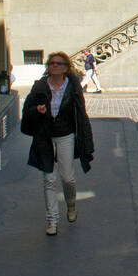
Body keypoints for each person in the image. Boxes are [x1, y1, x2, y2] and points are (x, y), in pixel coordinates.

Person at [21, 50, 94, 236]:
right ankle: (52, 221)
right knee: (49, 179)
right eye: (52, 63)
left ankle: (70, 204)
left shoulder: (72, 86)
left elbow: (80, 112)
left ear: (66, 67)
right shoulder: (40, 86)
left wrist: (86, 139)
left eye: (59, 63)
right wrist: (37, 109)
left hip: (65, 134)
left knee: (67, 178)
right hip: (45, 135)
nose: (55, 66)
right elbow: (27, 108)